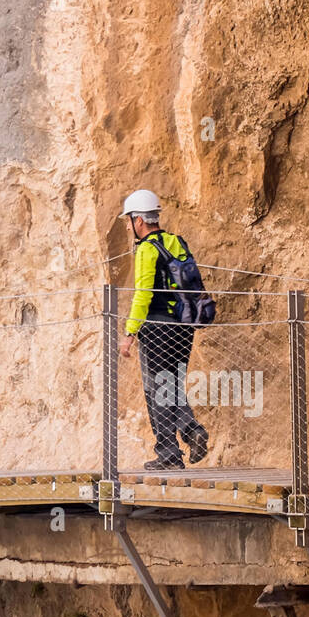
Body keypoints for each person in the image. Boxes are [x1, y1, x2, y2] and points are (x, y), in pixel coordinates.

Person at [118, 189, 210, 470]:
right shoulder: (175, 241)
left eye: (130, 221)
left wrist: (129, 333)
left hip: (157, 329)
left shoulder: (147, 249)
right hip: (184, 327)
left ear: (138, 221)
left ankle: (169, 455)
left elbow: (143, 294)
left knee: (156, 389)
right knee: (171, 385)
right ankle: (192, 431)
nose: (131, 226)